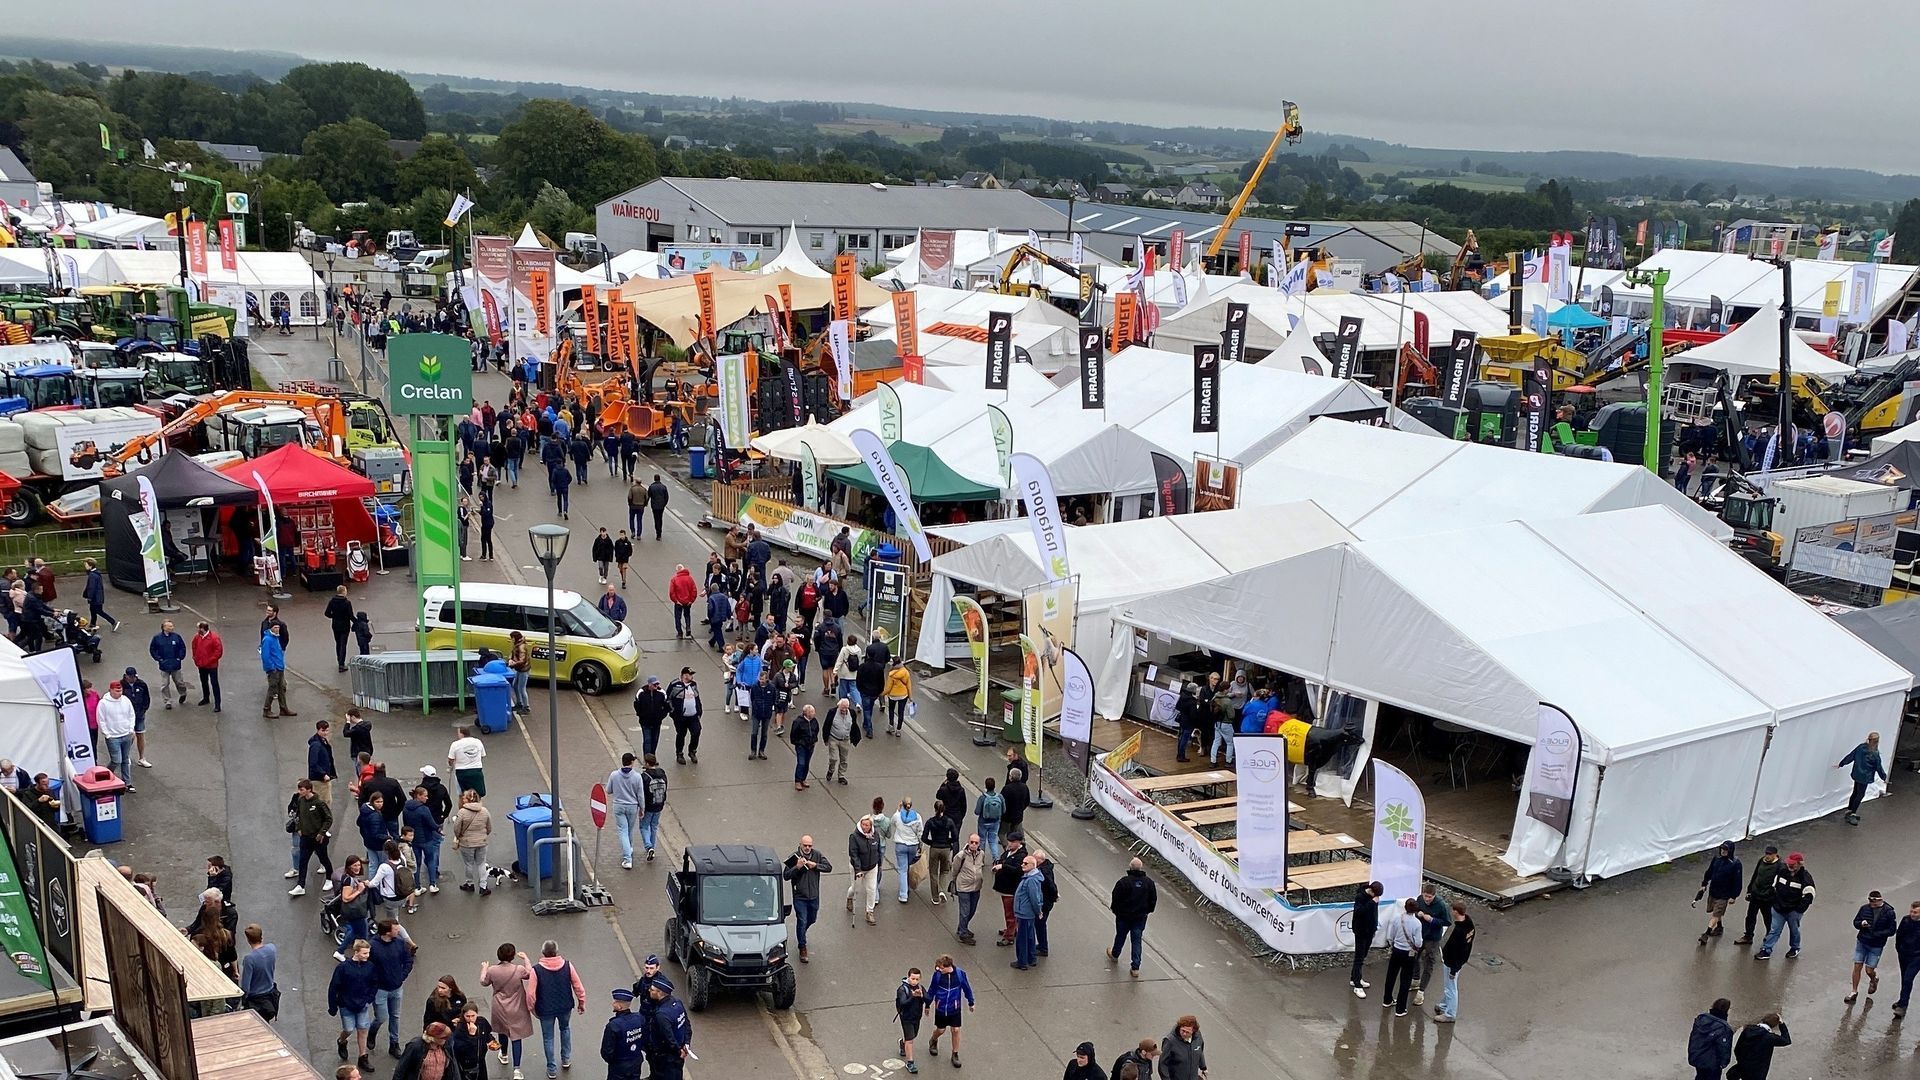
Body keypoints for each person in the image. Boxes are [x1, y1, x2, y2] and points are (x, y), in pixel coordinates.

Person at [532, 940, 586, 1080]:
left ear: (543, 952)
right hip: (565, 1006)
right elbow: (578, 986)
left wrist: (533, 1009)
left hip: (545, 1009)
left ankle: (552, 1069)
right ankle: (566, 1059)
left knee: (548, 1038)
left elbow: (530, 994)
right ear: (556, 952)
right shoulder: (568, 966)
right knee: (565, 1029)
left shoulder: (536, 970)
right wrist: (581, 1002)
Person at [481, 945, 535, 1080]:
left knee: (502, 1031)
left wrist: (484, 968)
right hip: (517, 1006)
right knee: (516, 1036)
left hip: (499, 1005)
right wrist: (526, 959)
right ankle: (517, 1069)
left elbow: (483, 982)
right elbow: (530, 973)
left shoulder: (492, 970)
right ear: (513, 955)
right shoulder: (519, 969)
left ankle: (504, 1054)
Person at [329, 939, 380, 1073]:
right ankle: (342, 1041)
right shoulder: (343, 968)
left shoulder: (370, 967)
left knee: (363, 1029)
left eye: (368, 953)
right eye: (364, 953)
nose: (367, 956)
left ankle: (363, 1057)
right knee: (349, 1029)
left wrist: (369, 999)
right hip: (346, 1005)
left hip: (362, 1004)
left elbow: (374, 983)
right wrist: (333, 1006)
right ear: (356, 952)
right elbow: (334, 987)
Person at [369, 919, 416, 1058]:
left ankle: (394, 1043)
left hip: (397, 987)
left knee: (395, 1016)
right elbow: (368, 967)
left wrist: (402, 976)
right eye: (396, 929)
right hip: (380, 989)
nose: (399, 931)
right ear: (387, 932)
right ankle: (372, 1032)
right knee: (381, 1017)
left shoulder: (400, 943)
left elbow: (408, 960)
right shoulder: (373, 946)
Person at [1755, 851, 1814, 960]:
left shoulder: (1805, 878)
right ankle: (1766, 950)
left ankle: (1795, 948)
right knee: (1774, 930)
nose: (1789, 865)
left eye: (1793, 864)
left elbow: (1809, 896)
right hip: (1778, 908)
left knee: (1794, 930)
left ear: (1800, 864)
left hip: (1793, 911)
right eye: (1789, 863)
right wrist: (1774, 902)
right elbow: (1774, 887)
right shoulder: (1782, 872)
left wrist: (1798, 910)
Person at [782, 835, 832, 963]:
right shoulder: (794, 857)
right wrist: (797, 867)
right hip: (800, 896)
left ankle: (801, 932)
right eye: (805, 845)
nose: (807, 848)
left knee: (812, 919)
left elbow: (828, 867)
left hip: (814, 895)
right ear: (800, 844)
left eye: (810, 845)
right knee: (802, 920)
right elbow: (786, 875)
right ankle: (802, 946)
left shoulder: (817, 855)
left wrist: (815, 865)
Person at [1107, 857, 1158, 978]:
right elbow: (1153, 899)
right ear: (1141, 868)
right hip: (1140, 917)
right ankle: (1135, 967)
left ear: (1130, 867)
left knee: (1120, 935)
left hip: (1124, 916)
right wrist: (1147, 911)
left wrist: (1116, 911)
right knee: (1136, 940)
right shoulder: (1149, 883)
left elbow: (1116, 898)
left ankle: (1115, 954)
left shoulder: (1123, 882)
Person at [1845, 889, 1897, 1004]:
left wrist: (1878, 934)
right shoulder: (1864, 909)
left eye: (1873, 902)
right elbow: (1856, 922)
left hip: (1876, 945)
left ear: (1880, 900)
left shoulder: (1889, 912)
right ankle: (1854, 991)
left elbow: (1892, 930)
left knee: (1869, 970)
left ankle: (1874, 978)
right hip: (1862, 941)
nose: (1871, 904)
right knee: (1857, 966)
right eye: (1870, 901)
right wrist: (1861, 924)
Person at [642, 975, 692, 1080]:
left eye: (652, 990)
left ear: (659, 993)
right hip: (678, 1052)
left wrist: (678, 1051)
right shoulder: (677, 1003)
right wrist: (686, 1044)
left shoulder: (662, 1014)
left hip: (666, 1057)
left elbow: (668, 1037)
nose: (649, 990)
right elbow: (686, 1025)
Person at [290, 779, 334, 895]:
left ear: (309, 789)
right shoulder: (301, 801)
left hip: (318, 838)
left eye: (302, 789)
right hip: (305, 838)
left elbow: (328, 819)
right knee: (303, 861)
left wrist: (322, 833)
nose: (299, 792)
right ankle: (301, 885)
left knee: (324, 859)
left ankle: (330, 878)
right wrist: (299, 828)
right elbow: (298, 816)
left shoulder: (319, 803)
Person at [1694, 840, 1743, 945]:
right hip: (1713, 891)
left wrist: (1734, 896)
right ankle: (1719, 927)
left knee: (1716, 914)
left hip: (1724, 894)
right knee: (1715, 911)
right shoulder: (1716, 859)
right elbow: (1709, 871)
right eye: (1722, 849)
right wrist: (1704, 884)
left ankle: (1706, 934)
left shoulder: (1735, 864)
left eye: (1726, 849)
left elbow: (1738, 881)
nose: (1723, 851)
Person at [1434, 902, 1475, 1023]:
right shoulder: (1469, 924)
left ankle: (1450, 1014)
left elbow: (1460, 951)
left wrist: (1454, 969)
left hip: (1452, 963)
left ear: (1456, 912)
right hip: (1456, 963)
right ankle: (1444, 1005)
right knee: (1450, 986)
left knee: (1450, 988)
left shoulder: (1459, 931)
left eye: (1453, 910)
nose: (1451, 912)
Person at [1381, 898, 1423, 1016]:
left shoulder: (1396, 918)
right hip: (1408, 954)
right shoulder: (1417, 923)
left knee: (1391, 976)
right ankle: (1400, 1009)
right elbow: (1418, 943)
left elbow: (1390, 936)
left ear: (1405, 907)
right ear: (1415, 910)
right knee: (1405, 980)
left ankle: (1387, 1000)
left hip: (1396, 950)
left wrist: (1394, 944)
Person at [1836, 732, 1887, 825]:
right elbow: (1879, 767)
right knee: (1860, 795)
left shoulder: (1860, 747)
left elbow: (1851, 756)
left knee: (1855, 792)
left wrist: (1842, 763)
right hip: (1865, 777)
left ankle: (1849, 810)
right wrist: (1884, 778)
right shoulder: (1875, 754)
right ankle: (1853, 813)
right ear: (1877, 741)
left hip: (1857, 774)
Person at [1734, 846, 1782, 945]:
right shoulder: (1761, 861)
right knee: (1750, 917)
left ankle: (1769, 937)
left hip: (1767, 898)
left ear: (1775, 854)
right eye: (1766, 853)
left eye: (1770, 854)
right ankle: (1748, 936)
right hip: (1755, 895)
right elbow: (1755, 875)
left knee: (1768, 918)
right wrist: (1750, 890)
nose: (1767, 856)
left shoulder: (1780, 866)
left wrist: (1772, 894)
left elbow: (1779, 883)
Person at [1413, 884, 1450, 1005]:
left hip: (1432, 939)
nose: (1427, 899)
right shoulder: (1419, 899)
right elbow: (1415, 910)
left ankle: (1421, 992)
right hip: (1420, 935)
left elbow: (1447, 922)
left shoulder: (1441, 905)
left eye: (1429, 897)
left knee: (1428, 963)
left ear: (1434, 895)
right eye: (1425, 896)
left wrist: (1432, 920)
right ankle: (1416, 979)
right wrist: (1417, 913)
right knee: (1414, 956)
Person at [599, 988, 647, 1080]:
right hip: (636, 1062)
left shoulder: (613, 1026)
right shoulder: (639, 1018)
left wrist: (613, 1062)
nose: (612, 1004)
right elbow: (645, 1039)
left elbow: (607, 1051)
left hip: (619, 1066)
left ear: (619, 1007)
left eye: (615, 1002)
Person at [96, 681, 137, 787]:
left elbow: (131, 714)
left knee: (125, 759)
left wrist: (130, 729)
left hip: (126, 734)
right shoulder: (103, 703)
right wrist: (107, 734)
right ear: (110, 690)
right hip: (113, 737)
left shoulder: (126, 700)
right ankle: (106, 775)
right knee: (116, 760)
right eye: (116, 691)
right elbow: (101, 720)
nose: (119, 693)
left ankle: (127, 783)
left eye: (120, 690)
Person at [1348, 881, 1385, 997]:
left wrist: (1374, 929)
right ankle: (1357, 986)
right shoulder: (1360, 897)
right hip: (1361, 931)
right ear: (1371, 891)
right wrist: (1372, 903)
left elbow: (1374, 914)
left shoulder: (1374, 899)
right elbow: (1359, 912)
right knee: (1359, 958)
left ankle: (1354, 978)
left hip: (1370, 931)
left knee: (1363, 955)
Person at [1727, 1013, 1790, 1080]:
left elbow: (1737, 1049)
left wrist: (1742, 1062)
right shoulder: (1770, 1037)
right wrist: (1782, 1024)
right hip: (1758, 1073)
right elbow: (1786, 1040)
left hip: (1743, 1069)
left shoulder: (1747, 1030)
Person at [404, 787, 442, 898]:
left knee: (416, 863)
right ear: (418, 796)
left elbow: (406, 824)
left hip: (414, 840)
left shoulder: (406, 808)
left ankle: (417, 887)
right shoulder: (424, 809)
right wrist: (439, 828)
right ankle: (432, 884)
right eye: (425, 796)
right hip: (426, 838)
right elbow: (432, 824)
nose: (427, 798)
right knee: (430, 860)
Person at [453, 790, 493, 895]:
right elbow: (489, 827)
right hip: (482, 842)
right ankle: (483, 886)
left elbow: (456, 828)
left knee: (469, 864)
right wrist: (483, 835)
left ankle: (470, 883)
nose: (462, 799)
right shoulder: (484, 811)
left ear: (468, 799)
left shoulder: (462, 812)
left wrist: (459, 836)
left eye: (464, 797)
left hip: (467, 843)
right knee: (481, 864)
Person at [1687, 998, 1734, 1080]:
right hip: (1713, 1063)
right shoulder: (1723, 1027)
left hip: (1699, 1059)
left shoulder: (1701, 1020)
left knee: (1700, 1076)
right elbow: (1723, 1047)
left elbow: (1694, 1039)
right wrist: (1724, 1062)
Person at [238, 925, 279, 1020]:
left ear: (248, 940)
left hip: (256, 998)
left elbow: (246, 986)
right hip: (270, 994)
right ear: (261, 936)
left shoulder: (249, 959)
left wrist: (243, 999)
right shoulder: (271, 948)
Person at [847, 815, 882, 926]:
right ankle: (849, 897)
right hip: (858, 868)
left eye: (867, 825)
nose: (864, 827)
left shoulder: (875, 835)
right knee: (855, 889)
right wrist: (858, 869)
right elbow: (853, 854)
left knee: (872, 889)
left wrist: (879, 863)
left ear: (871, 826)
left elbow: (878, 850)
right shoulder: (854, 837)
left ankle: (869, 912)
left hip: (872, 867)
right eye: (863, 824)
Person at [1011, 854, 1044, 970]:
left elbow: (1035, 898)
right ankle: (1031, 958)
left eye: (1025, 863)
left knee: (1022, 939)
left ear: (1033, 865)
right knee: (1029, 936)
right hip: (1026, 913)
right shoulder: (1031, 878)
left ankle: (1022, 962)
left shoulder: (1031, 880)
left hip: (1025, 913)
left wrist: (1038, 911)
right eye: (1022, 863)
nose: (1022, 865)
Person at [894, 967, 928, 1074]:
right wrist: (913, 996)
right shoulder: (902, 989)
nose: (915, 981)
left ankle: (902, 1043)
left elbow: (928, 999)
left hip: (917, 1017)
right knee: (910, 1039)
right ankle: (910, 1062)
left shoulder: (920, 988)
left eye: (917, 979)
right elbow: (903, 1003)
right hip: (906, 1017)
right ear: (908, 977)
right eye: (913, 978)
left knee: (913, 1035)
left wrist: (922, 996)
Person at [148, 619, 189, 708]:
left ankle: (183, 693)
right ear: (164, 627)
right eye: (170, 626)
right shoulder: (157, 638)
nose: (172, 627)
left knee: (179, 682)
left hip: (175, 665)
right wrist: (159, 659)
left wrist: (179, 658)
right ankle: (167, 701)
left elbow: (182, 648)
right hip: (164, 666)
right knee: (165, 684)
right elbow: (152, 649)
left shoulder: (176, 637)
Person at [923, 800, 957, 906]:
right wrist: (948, 842)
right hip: (945, 848)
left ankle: (935, 897)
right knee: (944, 871)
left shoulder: (930, 822)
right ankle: (942, 889)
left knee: (933, 873)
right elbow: (955, 836)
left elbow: (924, 837)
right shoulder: (949, 821)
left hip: (935, 848)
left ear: (935, 809)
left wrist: (932, 843)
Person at [668, 668, 703, 764]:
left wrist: (699, 711)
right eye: (690, 674)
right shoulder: (675, 685)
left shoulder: (693, 684)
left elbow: (697, 698)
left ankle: (692, 751)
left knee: (696, 732)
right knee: (681, 734)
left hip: (693, 716)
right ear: (684, 675)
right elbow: (668, 699)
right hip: (680, 717)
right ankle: (679, 753)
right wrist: (673, 712)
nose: (692, 676)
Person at [892, 798, 924, 904]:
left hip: (900, 845)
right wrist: (920, 844)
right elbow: (920, 832)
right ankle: (907, 886)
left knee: (902, 869)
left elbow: (892, 822)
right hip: (913, 845)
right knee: (908, 866)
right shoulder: (917, 816)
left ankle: (903, 894)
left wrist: (898, 809)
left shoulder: (898, 816)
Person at [1892, 900, 1920, 1017]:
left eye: (1915, 912)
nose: (1912, 914)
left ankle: (1903, 1006)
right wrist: (1899, 948)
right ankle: (1902, 1000)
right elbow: (1899, 935)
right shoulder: (1906, 920)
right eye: (1911, 911)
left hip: (1917, 957)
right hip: (1904, 954)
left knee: (1908, 978)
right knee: (1904, 978)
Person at [822, 697, 858, 786]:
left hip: (845, 740)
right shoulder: (832, 712)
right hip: (833, 739)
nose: (844, 710)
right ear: (838, 706)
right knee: (833, 758)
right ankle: (831, 770)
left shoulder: (852, 713)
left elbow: (854, 726)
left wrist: (854, 738)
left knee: (844, 760)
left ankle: (841, 776)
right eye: (842, 708)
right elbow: (826, 725)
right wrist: (825, 739)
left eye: (846, 708)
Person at [121, 667, 151, 766]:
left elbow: (146, 698)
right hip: (126, 717)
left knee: (140, 735)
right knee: (129, 737)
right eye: (130, 677)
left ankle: (142, 758)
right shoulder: (121, 685)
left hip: (139, 715)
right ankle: (125, 756)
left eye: (134, 676)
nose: (132, 678)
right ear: (126, 676)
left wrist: (143, 709)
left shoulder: (141, 684)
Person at [261, 628, 294, 718]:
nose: (277, 629)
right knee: (272, 688)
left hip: (279, 667)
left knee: (281, 688)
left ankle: (283, 708)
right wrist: (271, 667)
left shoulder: (276, 638)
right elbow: (265, 656)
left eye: (278, 627)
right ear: (271, 628)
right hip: (274, 669)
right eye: (275, 627)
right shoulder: (267, 640)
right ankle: (266, 709)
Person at [191, 622, 223, 711]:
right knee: (204, 682)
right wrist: (195, 658)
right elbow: (194, 646)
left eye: (198, 628)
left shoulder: (214, 638)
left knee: (214, 683)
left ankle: (217, 704)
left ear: (202, 629)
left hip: (211, 665)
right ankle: (206, 698)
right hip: (201, 665)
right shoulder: (197, 637)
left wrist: (209, 661)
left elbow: (218, 652)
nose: (197, 630)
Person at [82, 557, 119, 632]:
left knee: (99, 611)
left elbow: (91, 588)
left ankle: (113, 622)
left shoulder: (92, 575)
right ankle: (92, 624)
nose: (85, 566)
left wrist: (89, 597)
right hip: (98, 597)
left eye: (86, 565)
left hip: (95, 598)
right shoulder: (96, 574)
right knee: (92, 610)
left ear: (90, 566)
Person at [447, 727, 487, 796]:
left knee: (463, 794)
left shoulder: (455, 744)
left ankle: (463, 803)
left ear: (461, 734)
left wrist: (450, 766)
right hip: (476, 771)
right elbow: (482, 755)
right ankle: (477, 802)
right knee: (478, 793)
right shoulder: (478, 742)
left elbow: (451, 759)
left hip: (461, 772)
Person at [326, 586, 357, 672]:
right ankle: (341, 664)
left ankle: (339, 659)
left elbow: (327, 613)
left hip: (335, 625)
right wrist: (357, 622)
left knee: (338, 643)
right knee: (343, 645)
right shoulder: (347, 603)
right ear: (343, 592)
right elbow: (351, 616)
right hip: (345, 626)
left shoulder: (332, 602)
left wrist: (334, 616)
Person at [790, 703, 819, 791]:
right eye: (812, 712)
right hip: (801, 746)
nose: (814, 713)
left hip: (811, 745)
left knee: (807, 763)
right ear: (807, 713)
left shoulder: (814, 721)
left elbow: (816, 730)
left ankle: (803, 779)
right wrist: (799, 743)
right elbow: (793, 734)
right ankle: (798, 781)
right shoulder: (798, 722)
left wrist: (814, 740)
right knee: (801, 763)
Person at [974, 778, 1004, 859]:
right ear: (994, 786)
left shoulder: (982, 797)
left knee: (982, 840)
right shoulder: (1000, 797)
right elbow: (1003, 810)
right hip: (995, 822)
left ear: (986, 786)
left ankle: (981, 859)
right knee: (993, 841)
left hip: (983, 822)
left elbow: (977, 811)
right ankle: (996, 858)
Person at [667, 565, 698, 640]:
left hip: (679, 602)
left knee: (678, 617)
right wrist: (691, 600)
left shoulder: (674, 579)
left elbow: (672, 592)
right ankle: (688, 628)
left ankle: (680, 633)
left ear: (677, 570)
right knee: (687, 615)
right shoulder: (690, 579)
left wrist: (676, 601)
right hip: (687, 602)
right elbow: (694, 590)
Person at [885, 659, 912, 735]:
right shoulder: (906, 672)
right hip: (903, 695)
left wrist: (883, 694)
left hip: (892, 696)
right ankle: (898, 730)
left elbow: (888, 687)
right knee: (901, 712)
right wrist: (910, 696)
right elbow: (909, 686)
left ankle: (891, 727)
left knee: (891, 710)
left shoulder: (891, 674)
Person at [1001, 769, 1030, 839]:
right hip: (1018, 815)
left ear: (1011, 777)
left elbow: (1002, 802)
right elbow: (1027, 801)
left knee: (1002, 833)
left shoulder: (1007, 788)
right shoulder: (1024, 787)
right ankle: (1021, 842)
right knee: (1018, 832)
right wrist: (1021, 809)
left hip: (1007, 817)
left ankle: (1006, 845)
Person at [508, 633, 533, 714]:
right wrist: (510, 659)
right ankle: (519, 703)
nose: (511, 639)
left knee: (521, 688)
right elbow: (513, 653)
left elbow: (522, 660)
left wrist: (513, 664)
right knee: (515, 685)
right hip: (519, 669)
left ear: (515, 638)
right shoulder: (517, 644)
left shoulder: (521, 647)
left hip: (523, 669)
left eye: (512, 637)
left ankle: (526, 707)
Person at [647, 473, 670, 540]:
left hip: (654, 506)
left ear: (654, 479)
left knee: (656, 519)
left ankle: (658, 533)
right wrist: (664, 504)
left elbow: (648, 496)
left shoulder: (651, 487)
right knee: (660, 518)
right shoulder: (663, 487)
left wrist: (646, 503)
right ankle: (660, 531)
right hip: (661, 506)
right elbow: (666, 497)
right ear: (659, 479)